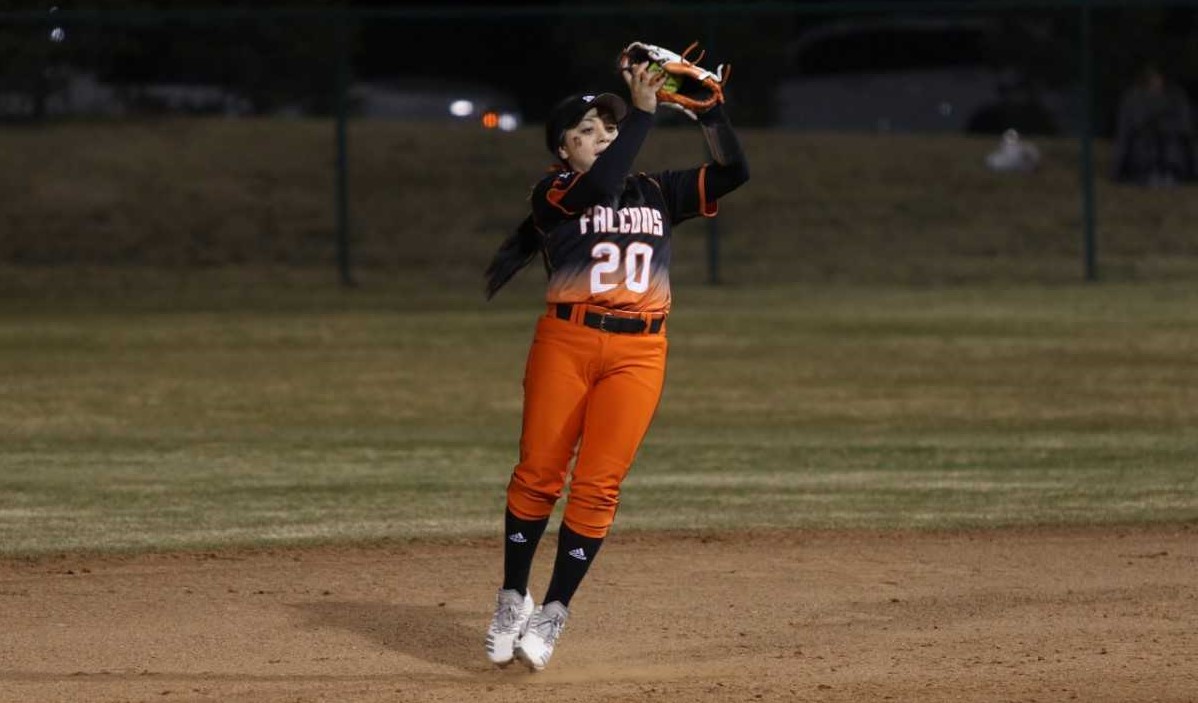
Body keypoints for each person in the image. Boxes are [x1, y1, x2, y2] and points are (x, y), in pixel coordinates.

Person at [481, 60, 749, 672]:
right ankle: (511, 596)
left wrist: (712, 115)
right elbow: (599, 189)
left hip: (640, 353)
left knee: (599, 486)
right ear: (561, 150)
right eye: (585, 131)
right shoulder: (552, 195)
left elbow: (736, 171)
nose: (601, 135)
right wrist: (645, 115)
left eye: (608, 125)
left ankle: (553, 611)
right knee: (538, 474)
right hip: (567, 345)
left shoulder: (657, 191)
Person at [1111, 64, 1197, 186]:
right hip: (1143, 151)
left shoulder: (1176, 97)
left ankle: (1170, 174)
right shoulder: (1133, 99)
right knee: (1145, 147)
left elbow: (1186, 127)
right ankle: (1150, 174)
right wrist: (1116, 169)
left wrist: (1166, 127)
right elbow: (1124, 133)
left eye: (1158, 78)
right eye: (1151, 78)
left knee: (1172, 147)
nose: (1156, 82)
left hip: (1170, 147)